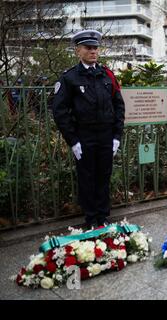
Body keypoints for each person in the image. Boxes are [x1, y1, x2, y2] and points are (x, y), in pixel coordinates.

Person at [52, 30, 125, 228]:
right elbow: (59, 111)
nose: (93, 51)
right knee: (87, 177)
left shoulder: (107, 75)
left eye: (95, 48)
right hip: (84, 136)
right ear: (78, 51)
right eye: (88, 48)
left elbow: (118, 105)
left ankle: (103, 215)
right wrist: (73, 140)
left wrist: (117, 135)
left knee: (104, 175)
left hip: (106, 135)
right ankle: (91, 217)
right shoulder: (70, 78)